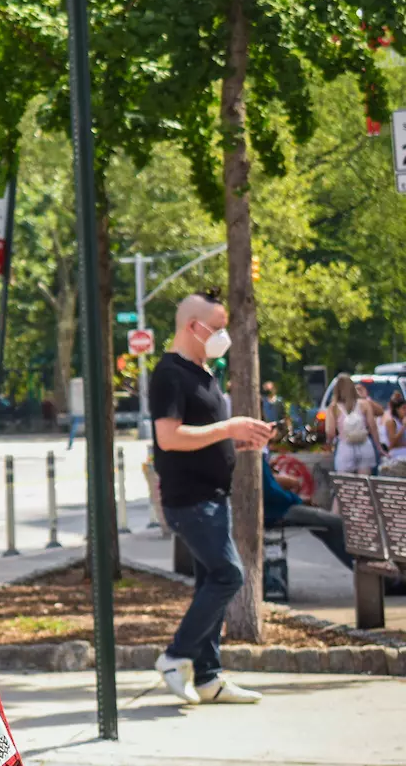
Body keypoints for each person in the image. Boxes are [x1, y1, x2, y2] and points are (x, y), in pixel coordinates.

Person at [148, 292, 274, 706]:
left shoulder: (203, 372)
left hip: (213, 497)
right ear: (192, 326)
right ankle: (176, 656)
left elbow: (206, 436)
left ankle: (208, 677)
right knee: (228, 576)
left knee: (210, 580)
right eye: (217, 327)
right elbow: (168, 437)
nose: (223, 335)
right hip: (190, 501)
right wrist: (229, 428)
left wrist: (241, 437)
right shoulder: (169, 373)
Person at [261, 454, 349, 568]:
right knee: (336, 522)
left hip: (276, 507)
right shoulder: (250, 455)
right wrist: (298, 499)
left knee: (325, 527)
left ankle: (353, 563)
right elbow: (272, 493)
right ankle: (355, 566)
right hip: (276, 511)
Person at [323, 374, 381, 476]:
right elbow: (373, 427)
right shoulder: (364, 404)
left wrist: (329, 444)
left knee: (345, 486)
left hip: (345, 448)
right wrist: (378, 446)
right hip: (365, 446)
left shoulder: (333, 407)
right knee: (364, 485)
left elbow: (330, 432)